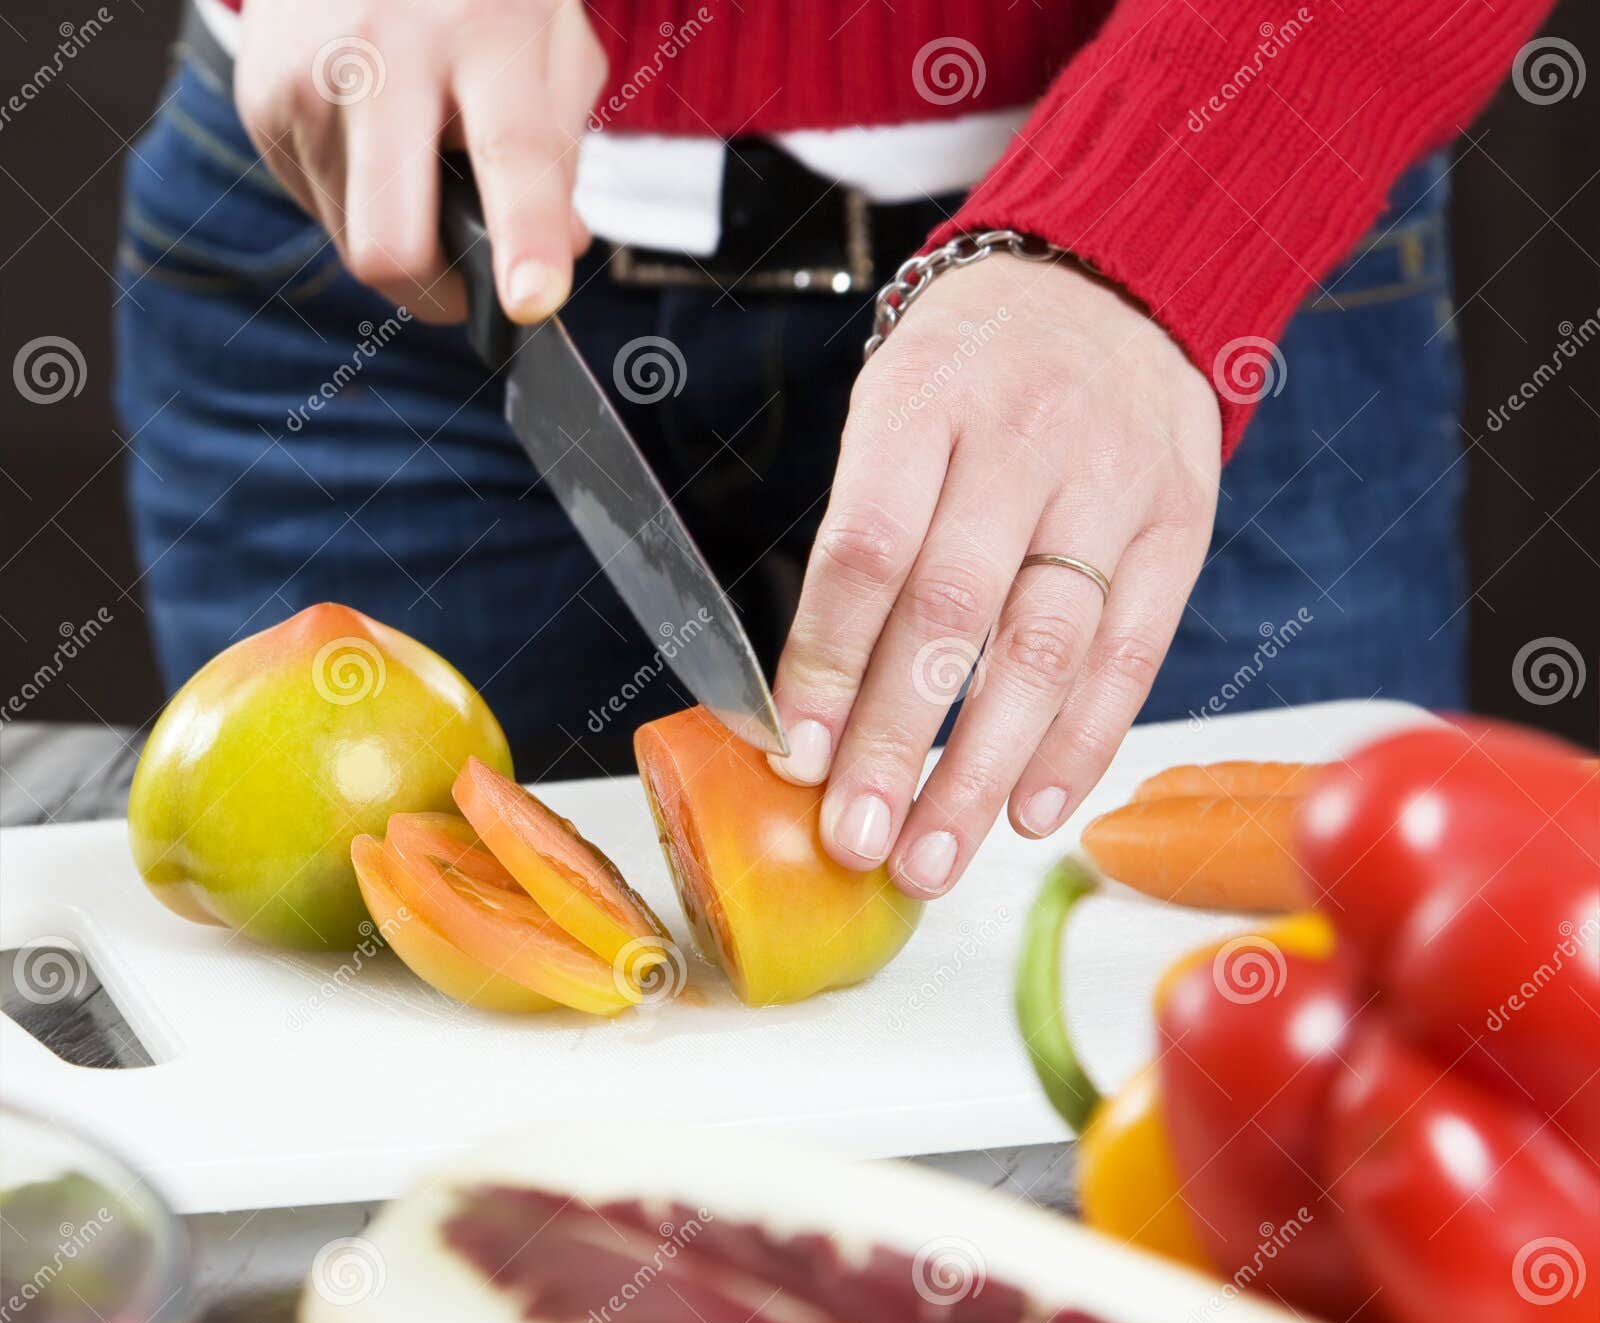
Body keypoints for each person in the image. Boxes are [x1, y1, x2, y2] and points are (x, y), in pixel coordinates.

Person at [117, 0, 1552, 900]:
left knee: (1270, 1206)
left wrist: (1168, 218)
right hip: (388, 206)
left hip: (1192, 261)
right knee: (379, 1148)